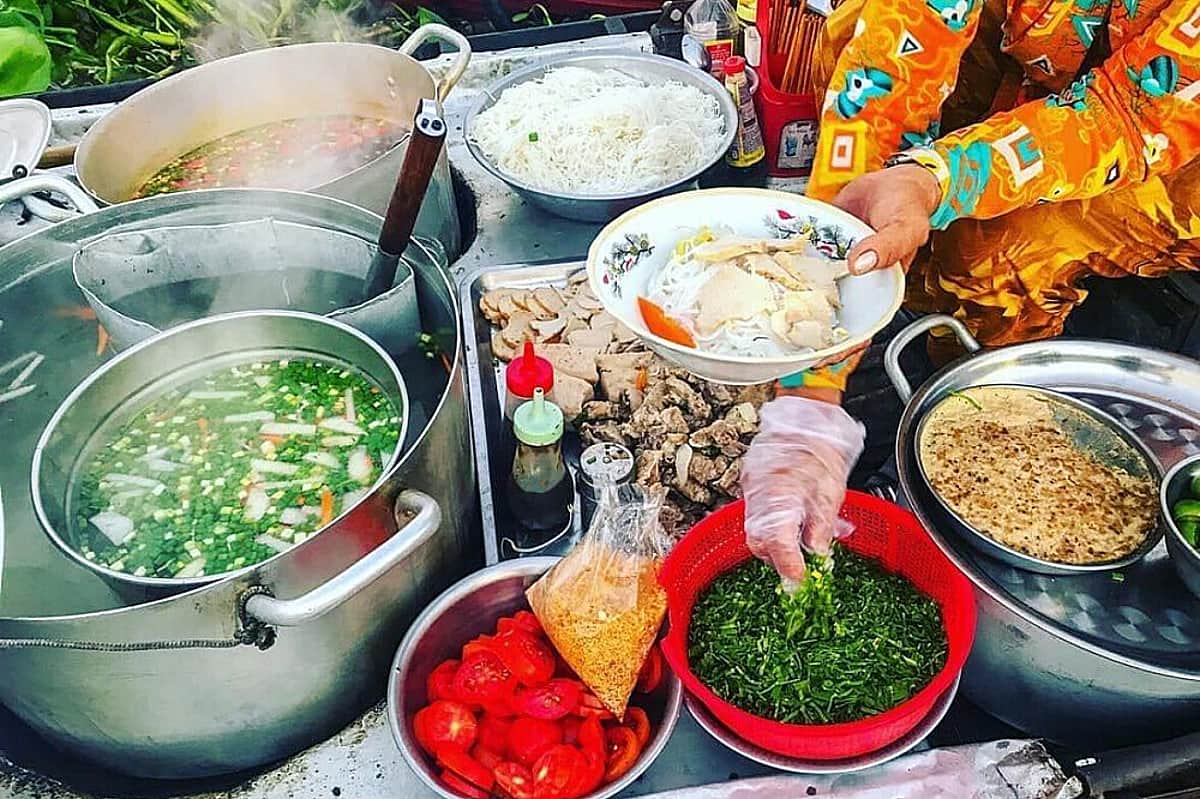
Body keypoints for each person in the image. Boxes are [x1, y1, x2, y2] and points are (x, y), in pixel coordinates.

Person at [742, 0, 1200, 585]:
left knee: (997, 247)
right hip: (1048, 56)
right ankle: (914, 290)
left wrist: (939, 178)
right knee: (854, 28)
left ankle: (975, 426)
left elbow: (1123, 116)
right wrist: (812, 384)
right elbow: (892, 56)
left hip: (1167, 132)